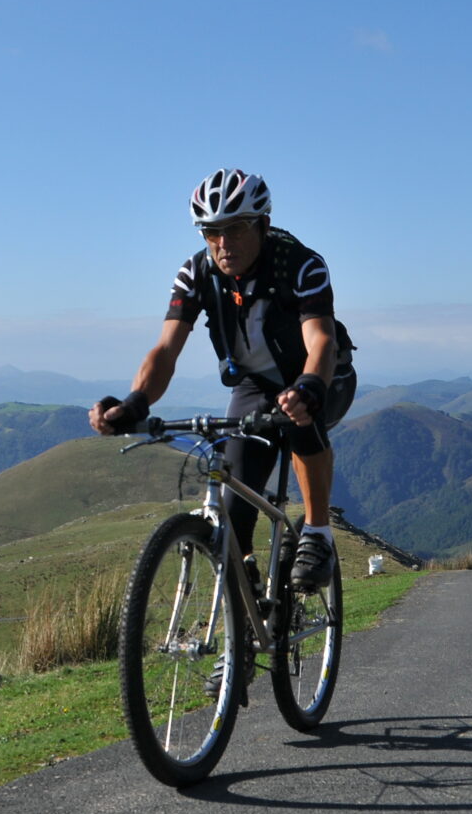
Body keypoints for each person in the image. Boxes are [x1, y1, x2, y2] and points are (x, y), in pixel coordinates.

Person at [90, 168, 355, 591]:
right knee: (233, 518)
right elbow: (165, 350)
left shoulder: (302, 265)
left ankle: (318, 533)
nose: (222, 242)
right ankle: (242, 612)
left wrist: (308, 388)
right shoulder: (196, 273)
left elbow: (320, 340)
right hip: (254, 385)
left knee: (301, 423)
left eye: (235, 228)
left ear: (263, 224)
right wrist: (136, 401)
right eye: (211, 231)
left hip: (323, 377)